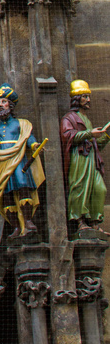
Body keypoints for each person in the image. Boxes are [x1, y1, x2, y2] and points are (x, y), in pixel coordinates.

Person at [0, 84, 44, 237]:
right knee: (5, 192)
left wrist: (34, 145)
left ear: (11, 105)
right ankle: (15, 226)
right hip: (2, 161)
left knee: (23, 187)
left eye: (4, 102)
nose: (0, 105)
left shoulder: (20, 124)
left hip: (18, 159)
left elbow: (28, 137)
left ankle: (27, 221)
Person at [60, 79, 109, 233]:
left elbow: (95, 145)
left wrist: (106, 136)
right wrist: (90, 133)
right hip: (79, 158)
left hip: (91, 159)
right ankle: (80, 221)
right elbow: (67, 135)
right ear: (77, 99)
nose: (88, 100)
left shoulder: (86, 119)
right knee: (79, 187)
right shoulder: (69, 118)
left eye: (88, 96)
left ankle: (94, 221)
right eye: (84, 97)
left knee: (99, 189)